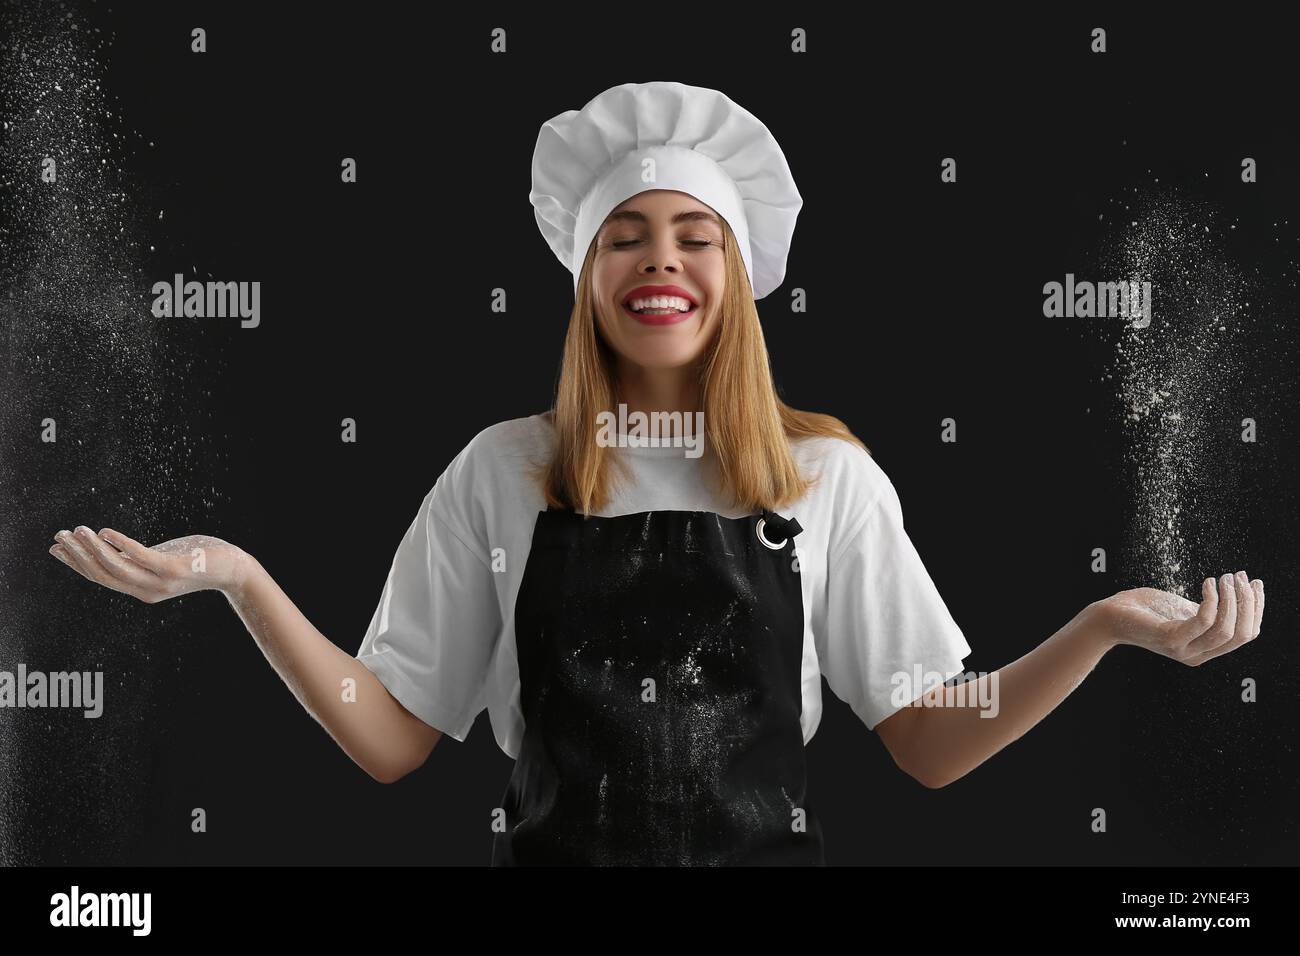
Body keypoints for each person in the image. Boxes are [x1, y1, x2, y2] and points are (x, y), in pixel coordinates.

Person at [48, 82, 1266, 867]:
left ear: (736, 275)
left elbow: (928, 740)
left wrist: (1102, 626)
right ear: (586, 276)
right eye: (624, 237)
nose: (658, 260)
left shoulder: (822, 474)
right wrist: (241, 578)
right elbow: (391, 738)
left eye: (694, 237)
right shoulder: (501, 473)